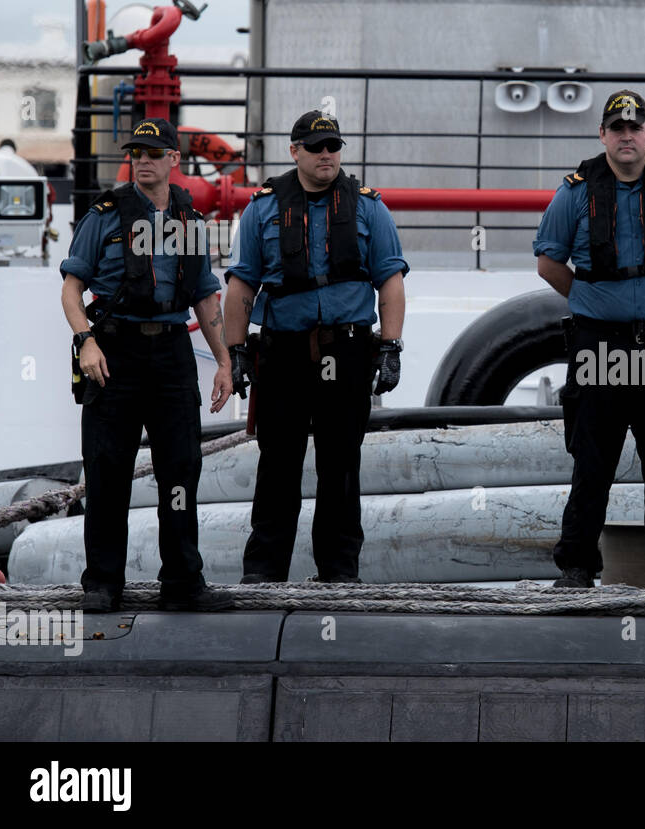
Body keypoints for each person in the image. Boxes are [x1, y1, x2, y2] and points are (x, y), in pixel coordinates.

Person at [534, 90, 645, 591]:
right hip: (600, 347)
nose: (627, 135)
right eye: (617, 128)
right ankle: (576, 567)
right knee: (593, 457)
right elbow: (549, 263)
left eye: (636, 128)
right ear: (603, 136)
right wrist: (593, 301)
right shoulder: (574, 193)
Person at [224, 110, 407, 584]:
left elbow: (389, 280)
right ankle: (264, 574)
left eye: (333, 146)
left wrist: (390, 346)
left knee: (341, 464)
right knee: (278, 465)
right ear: (295, 152)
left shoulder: (368, 207)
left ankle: (340, 573)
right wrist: (237, 351)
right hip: (282, 353)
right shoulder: (263, 208)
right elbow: (241, 286)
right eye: (316, 147)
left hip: (347, 352)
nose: (327, 154)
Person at [59, 117, 234, 612]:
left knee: (180, 470)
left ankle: (182, 581)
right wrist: (86, 342)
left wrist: (223, 361)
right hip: (115, 352)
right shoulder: (104, 214)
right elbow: (72, 289)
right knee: (108, 469)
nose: (143, 161)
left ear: (174, 160)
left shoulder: (190, 221)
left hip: (173, 356)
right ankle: (102, 582)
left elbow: (205, 296)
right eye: (137, 153)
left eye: (154, 154)